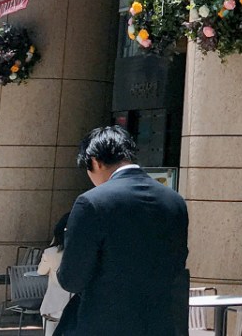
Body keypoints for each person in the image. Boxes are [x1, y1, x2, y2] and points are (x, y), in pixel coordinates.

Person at [57, 126, 189, 336]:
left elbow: (71, 279)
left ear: (95, 161)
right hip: (162, 323)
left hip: (105, 323)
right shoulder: (174, 201)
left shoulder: (91, 202)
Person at [36, 214, 73, 336]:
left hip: (53, 306)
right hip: (75, 306)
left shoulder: (50, 253)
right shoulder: (84, 255)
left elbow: (41, 271)